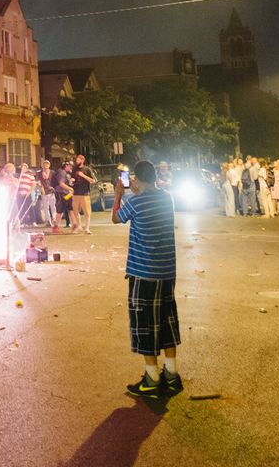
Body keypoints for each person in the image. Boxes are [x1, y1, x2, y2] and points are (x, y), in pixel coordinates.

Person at [112, 159, 182, 397]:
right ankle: (171, 375)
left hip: (143, 273)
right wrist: (139, 188)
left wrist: (120, 193)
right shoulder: (167, 198)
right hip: (166, 272)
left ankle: (152, 378)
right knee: (166, 320)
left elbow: (116, 218)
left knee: (145, 325)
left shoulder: (136, 201)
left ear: (138, 179)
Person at [70, 154, 96, 234]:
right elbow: (72, 178)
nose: (76, 161)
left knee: (87, 212)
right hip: (76, 193)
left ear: (82, 160)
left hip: (85, 193)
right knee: (75, 211)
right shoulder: (74, 169)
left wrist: (83, 175)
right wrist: (71, 181)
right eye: (76, 160)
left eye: (78, 160)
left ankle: (87, 228)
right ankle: (79, 226)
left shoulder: (87, 169)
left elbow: (93, 180)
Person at [51, 161, 74, 233]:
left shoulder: (65, 173)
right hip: (61, 194)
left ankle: (75, 225)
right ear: (66, 166)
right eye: (70, 166)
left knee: (71, 208)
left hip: (66, 194)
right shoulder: (62, 172)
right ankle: (56, 227)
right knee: (61, 210)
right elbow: (61, 184)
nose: (71, 168)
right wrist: (70, 189)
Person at [38, 160, 57, 227]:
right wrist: (39, 185)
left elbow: (55, 181)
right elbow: (38, 181)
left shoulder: (52, 172)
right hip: (43, 191)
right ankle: (48, 221)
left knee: (53, 206)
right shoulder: (40, 173)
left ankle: (54, 220)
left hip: (51, 191)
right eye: (44, 164)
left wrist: (53, 187)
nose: (45, 166)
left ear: (49, 165)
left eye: (47, 164)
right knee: (45, 207)